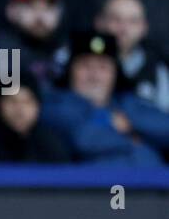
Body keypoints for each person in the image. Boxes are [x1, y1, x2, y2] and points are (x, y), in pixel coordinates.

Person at [41, 30, 169, 165]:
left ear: (115, 74)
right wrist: (130, 136)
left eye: (103, 67)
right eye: (85, 66)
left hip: (151, 183)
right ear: (70, 71)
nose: (94, 76)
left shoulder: (127, 103)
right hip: (87, 184)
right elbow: (84, 140)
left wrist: (130, 123)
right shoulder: (54, 104)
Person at [0, 78, 72, 163]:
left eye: (27, 102)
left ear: (38, 107)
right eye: (12, 101)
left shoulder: (51, 147)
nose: (20, 110)